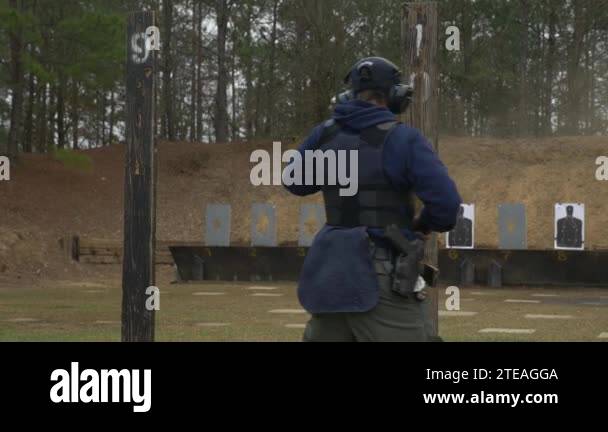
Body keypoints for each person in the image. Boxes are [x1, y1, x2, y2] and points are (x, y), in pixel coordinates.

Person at [284, 57, 462, 342]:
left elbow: (294, 182)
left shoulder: (325, 134)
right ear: (395, 96)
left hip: (330, 272)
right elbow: (447, 206)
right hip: (379, 275)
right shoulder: (403, 139)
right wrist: (422, 225)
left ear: (348, 96)